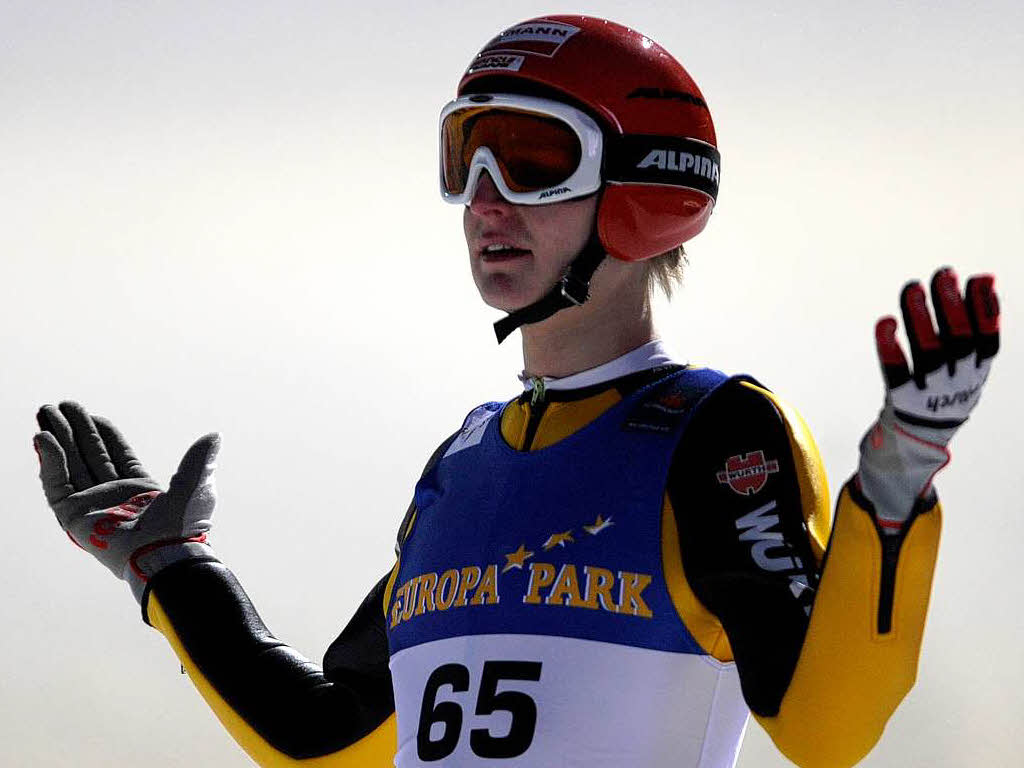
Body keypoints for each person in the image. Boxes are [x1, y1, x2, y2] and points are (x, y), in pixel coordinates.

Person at [33, 14, 1000, 768]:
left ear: (640, 192)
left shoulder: (716, 436)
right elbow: (325, 738)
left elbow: (829, 732)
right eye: (468, 157)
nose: (487, 199)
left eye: (534, 161)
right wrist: (170, 567)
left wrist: (893, 491)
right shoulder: (463, 465)